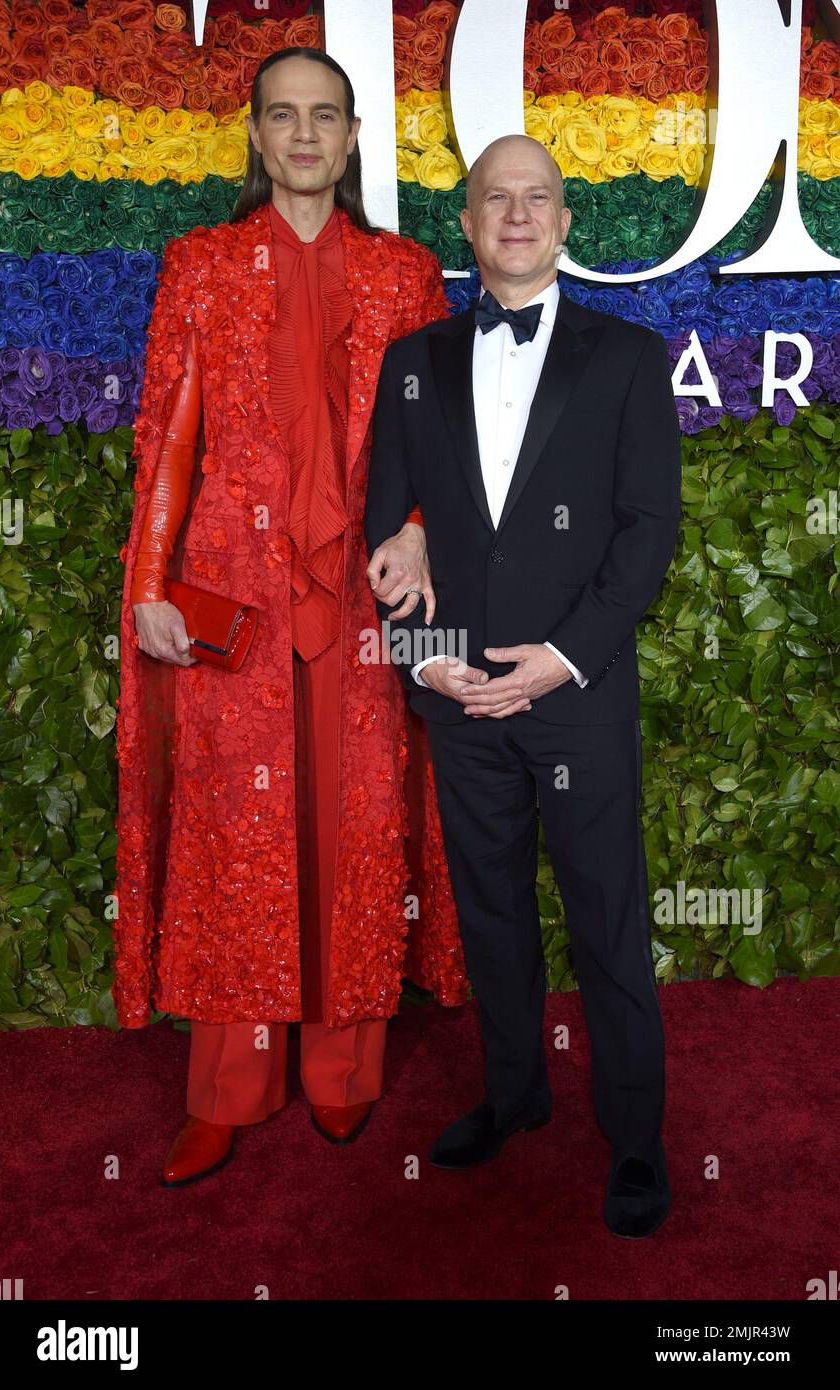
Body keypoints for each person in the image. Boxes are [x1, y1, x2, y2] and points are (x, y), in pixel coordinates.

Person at [115, 47, 467, 1188]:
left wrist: (413, 526)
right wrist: (151, 585)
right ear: (257, 137)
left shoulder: (406, 272)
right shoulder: (203, 265)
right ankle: (227, 1089)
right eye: (283, 116)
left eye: (325, 116)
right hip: (236, 598)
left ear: (353, 136)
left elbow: (438, 439)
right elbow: (166, 438)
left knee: (359, 830)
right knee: (237, 841)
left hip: (368, 600)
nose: (304, 135)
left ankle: (343, 1078)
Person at [364, 134, 682, 1238]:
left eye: (534, 197)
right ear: (465, 222)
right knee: (492, 911)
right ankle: (513, 1091)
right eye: (494, 197)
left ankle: (635, 1140)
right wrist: (427, 654)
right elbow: (391, 530)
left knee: (606, 920)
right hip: (457, 691)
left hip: (576, 696)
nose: (514, 213)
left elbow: (648, 536)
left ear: (563, 221)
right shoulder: (411, 361)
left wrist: (560, 658)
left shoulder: (628, 358)